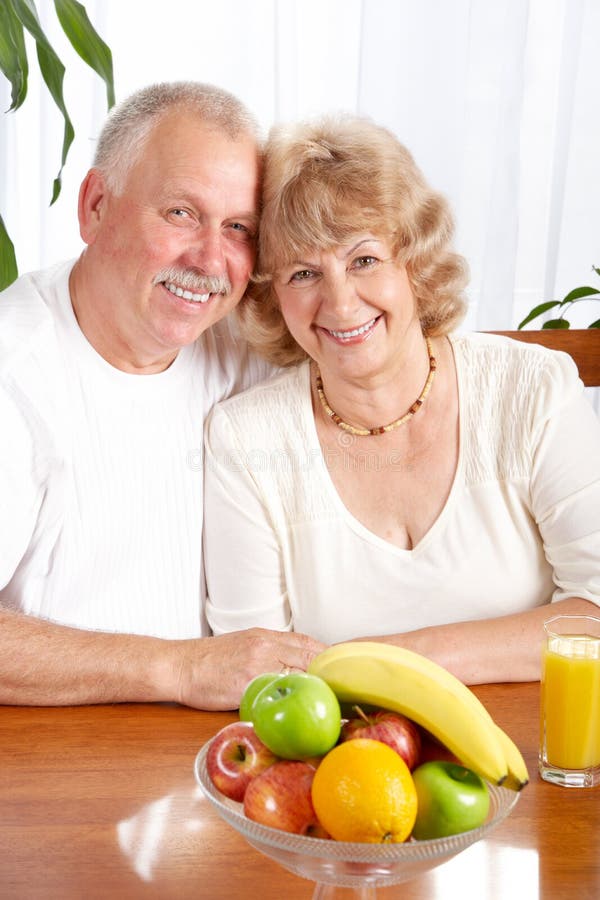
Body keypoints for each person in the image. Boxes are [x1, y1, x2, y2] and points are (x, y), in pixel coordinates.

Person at [203, 113, 600, 684]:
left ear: (415, 261)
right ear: (272, 297)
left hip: (535, 734)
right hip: (340, 739)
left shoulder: (532, 389)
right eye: (303, 274)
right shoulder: (245, 439)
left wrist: (396, 660)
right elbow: (258, 672)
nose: (340, 304)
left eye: (363, 260)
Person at [0, 82, 323, 709]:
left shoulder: (247, 346)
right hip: (49, 749)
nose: (210, 260)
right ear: (95, 207)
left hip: (218, 744)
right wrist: (179, 669)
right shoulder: (16, 369)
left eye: (238, 228)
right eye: (180, 213)